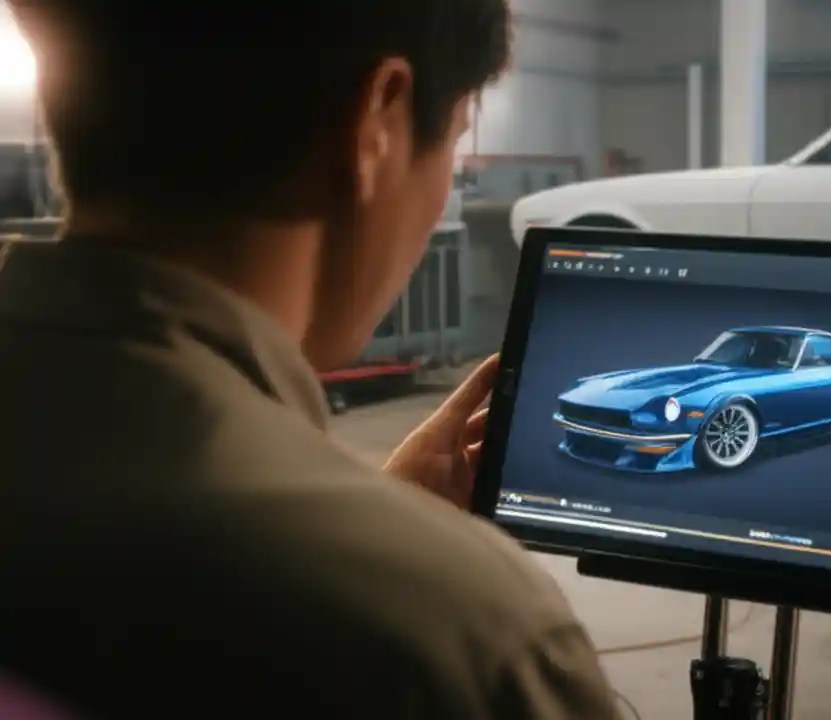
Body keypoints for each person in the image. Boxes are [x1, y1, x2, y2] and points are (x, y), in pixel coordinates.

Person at [0, 1, 618, 717]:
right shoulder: (466, 639)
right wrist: (393, 557)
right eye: (453, 140)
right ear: (377, 126)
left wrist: (384, 515)